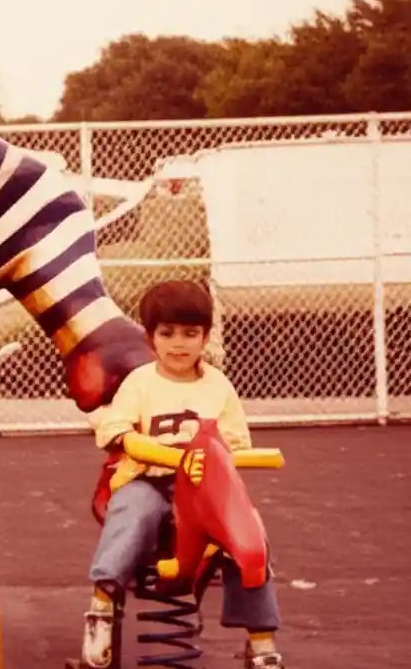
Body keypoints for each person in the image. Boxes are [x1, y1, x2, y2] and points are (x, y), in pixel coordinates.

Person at [80, 280, 283, 669]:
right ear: (150, 337)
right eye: (167, 333)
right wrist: (143, 445)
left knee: (250, 533)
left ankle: (261, 642)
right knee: (132, 510)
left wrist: (235, 457)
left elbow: (236, 445)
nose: (179, 343)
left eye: (190, 334)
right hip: (149, 479)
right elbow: (112, 429)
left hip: (204, 487)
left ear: (205, 337)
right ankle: (101, 607)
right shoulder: (140, 382)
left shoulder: (218, 387)